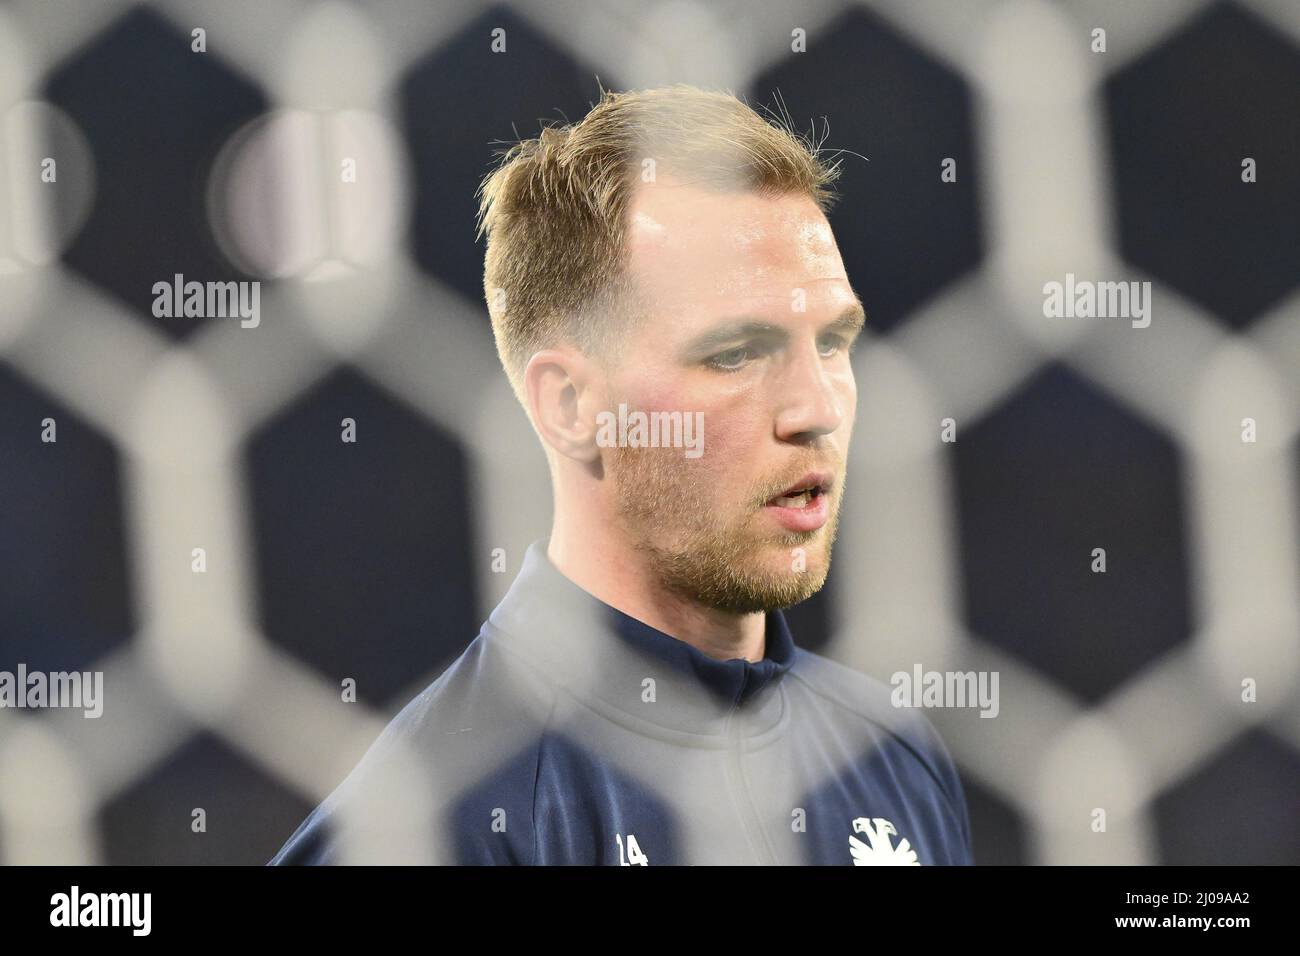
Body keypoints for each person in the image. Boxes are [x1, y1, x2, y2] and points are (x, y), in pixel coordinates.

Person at [270, 84, 973, 865]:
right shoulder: (428, 824)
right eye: (735, 354)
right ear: (572, 406)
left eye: (833, 342)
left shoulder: (894, 757)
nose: (818, 409)